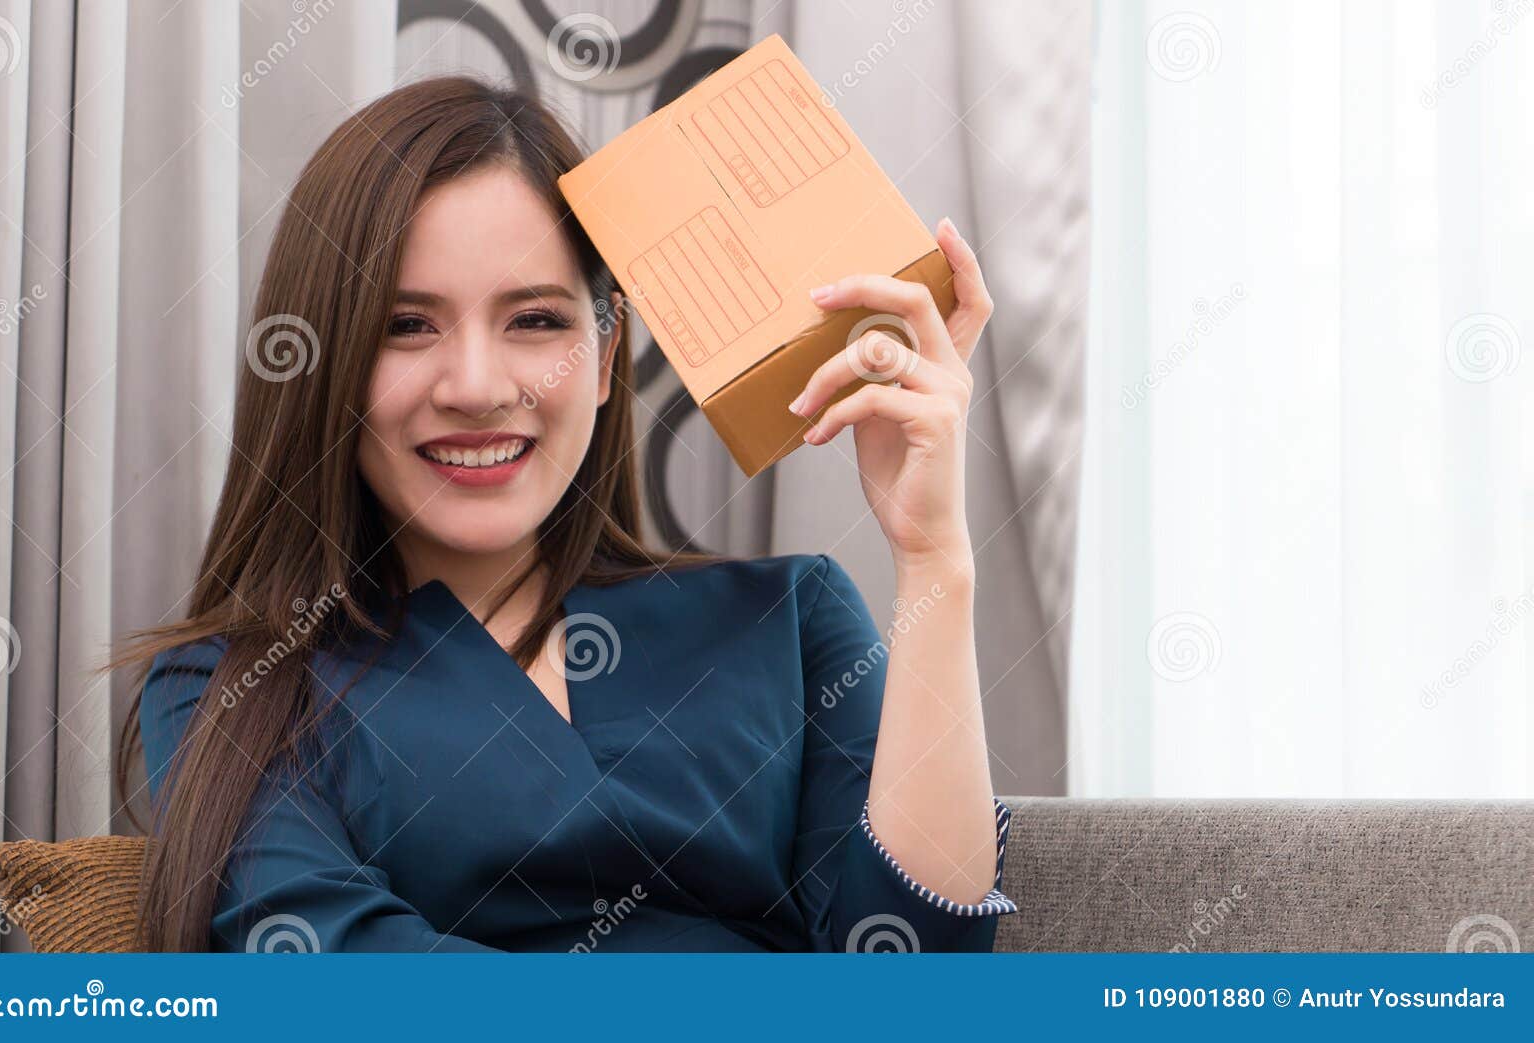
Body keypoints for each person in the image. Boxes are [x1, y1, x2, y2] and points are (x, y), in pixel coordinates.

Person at [114, 73, 1015, 953]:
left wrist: (935, 558)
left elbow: (913, 969)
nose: (476, 387)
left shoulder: (790, 619)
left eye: (536, 321)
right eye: (406, 326)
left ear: (607, 344)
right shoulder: (234, 687)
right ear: (324, 359)